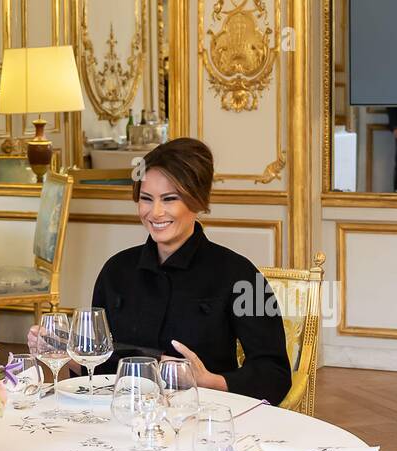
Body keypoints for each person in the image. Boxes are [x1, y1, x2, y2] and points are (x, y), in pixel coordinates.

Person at [63, 138, 290, 406]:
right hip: (121, 418)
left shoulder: (241, 276)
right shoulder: (116, 270)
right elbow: (101, 366)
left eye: (170, 199)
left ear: (197, 201)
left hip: (204, 421)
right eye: (146, 199)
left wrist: (208, 381)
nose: (155, 212)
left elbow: (274, 375)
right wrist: (67, 354)